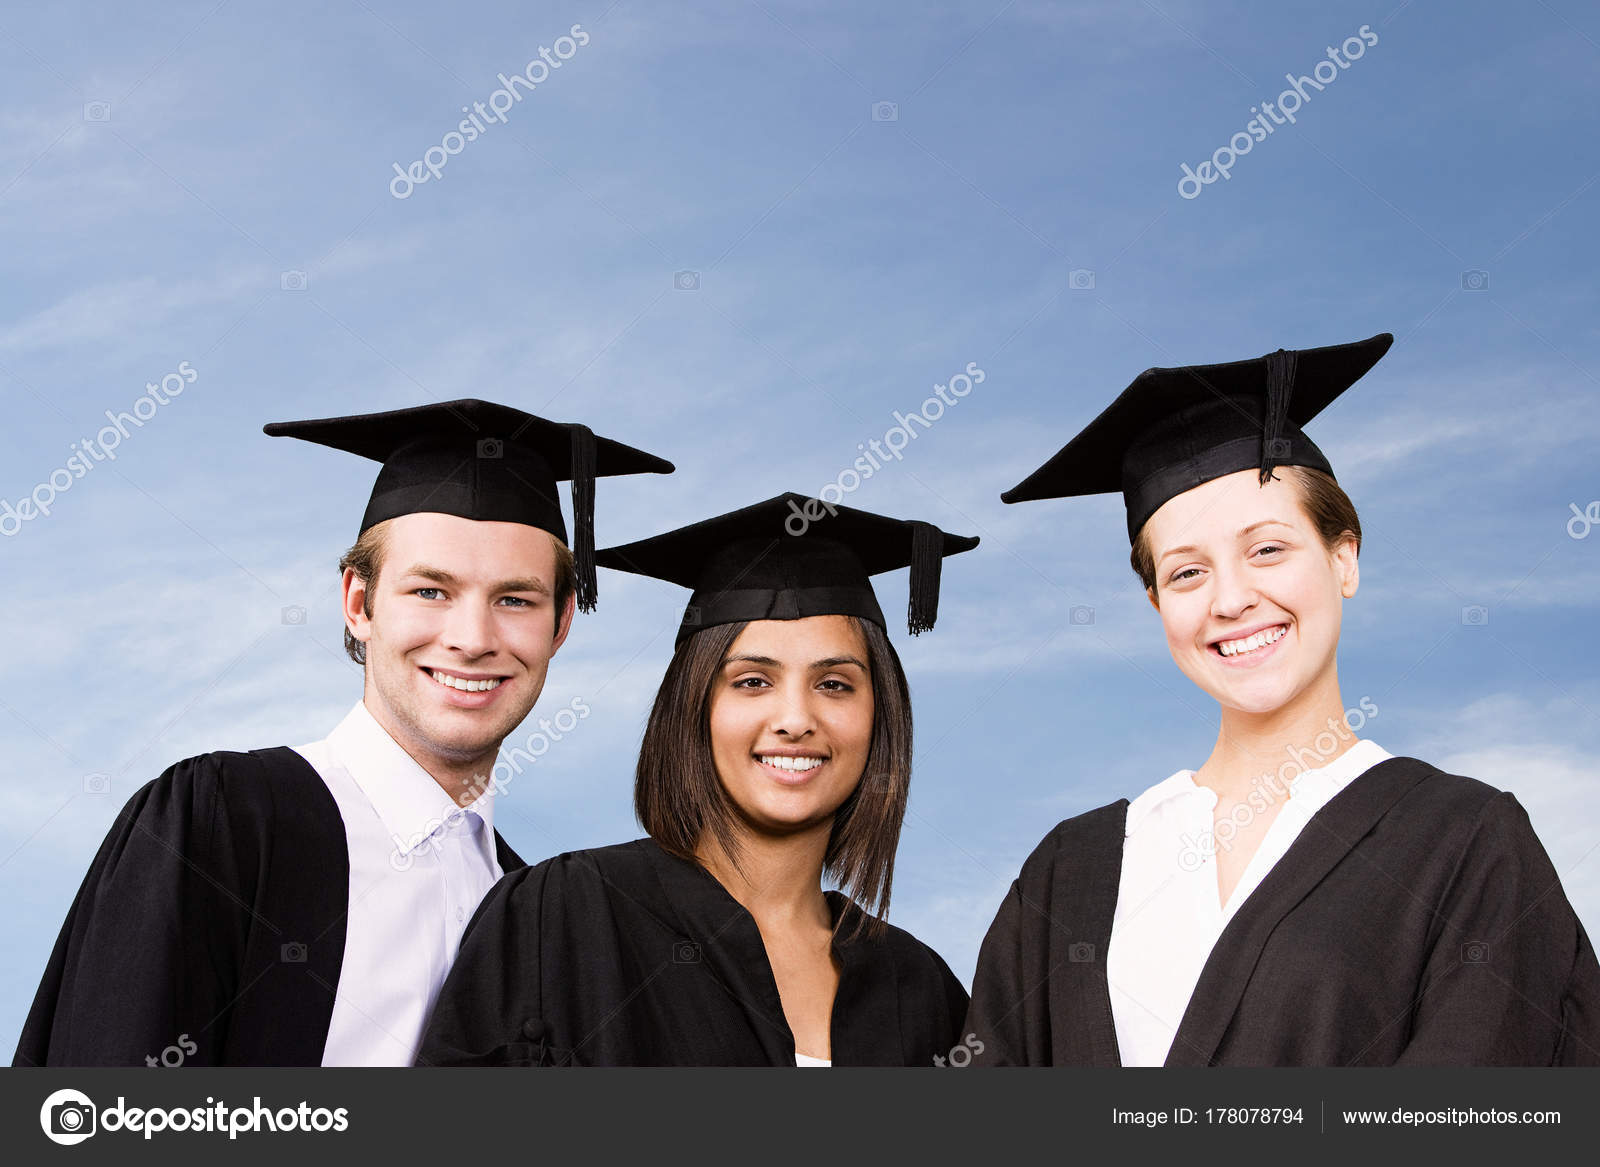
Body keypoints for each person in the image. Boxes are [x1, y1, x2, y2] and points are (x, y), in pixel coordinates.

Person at [967, 333, 1600, 1066]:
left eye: (1267, 548)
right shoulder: (1068, 871)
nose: (1232, 598)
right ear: (1155, 604)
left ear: (1344, 557)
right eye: (1186, 573)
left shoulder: (1464, 841)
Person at [13, 400, 672, 1066]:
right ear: (358, 602)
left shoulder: (539, 917)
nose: (473, 639)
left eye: (515, 600)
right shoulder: (226, 823)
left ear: (560, 626)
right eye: (430, 591)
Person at [417, 493, 975, 1066]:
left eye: (835, 684)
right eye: (752, 681)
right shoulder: (565, 916)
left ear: (880, 715)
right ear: (693, 709)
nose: (795, 720)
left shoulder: (921, 989)